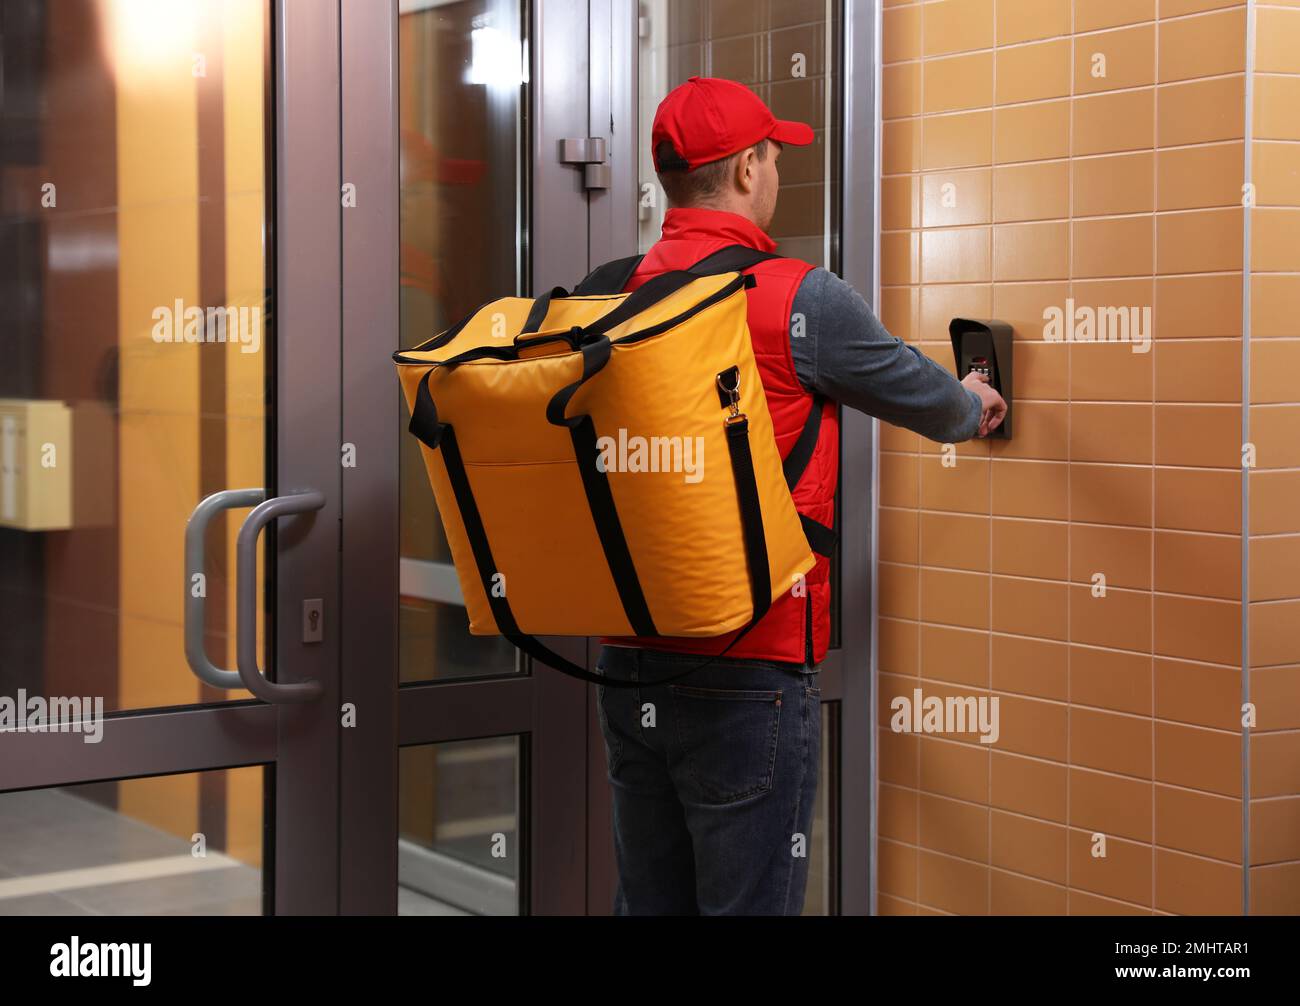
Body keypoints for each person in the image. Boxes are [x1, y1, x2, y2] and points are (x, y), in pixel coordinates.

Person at [594, 76, 1007, 916]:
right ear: (747, 168)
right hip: (754, 663)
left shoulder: (608, 291)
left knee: (651, 903)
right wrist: (978, 403)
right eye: (774, 155)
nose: (777, 172)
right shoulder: (797, 299)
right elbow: (931, 402)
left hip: (628, 654)